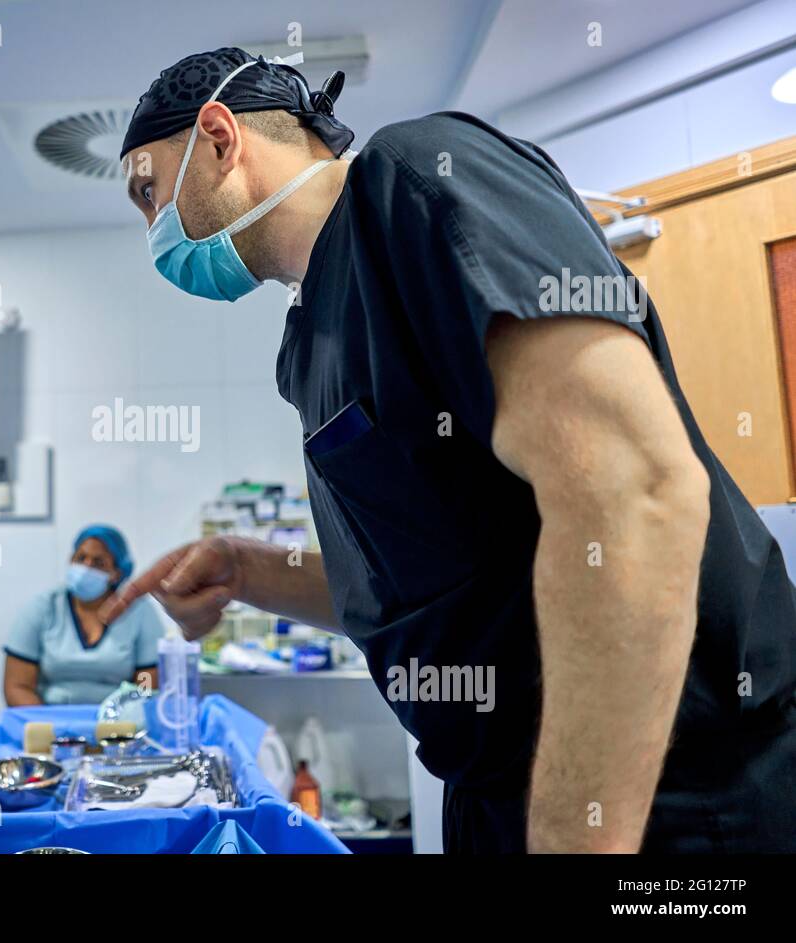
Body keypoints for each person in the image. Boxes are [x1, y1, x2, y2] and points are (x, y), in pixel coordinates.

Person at [106, 47, 796, 852]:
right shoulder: (309, 342)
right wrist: (246, 569)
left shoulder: (419, 178)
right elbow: (426, 589)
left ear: (219, 137)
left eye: (148, 190)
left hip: (674, 797)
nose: (152, 228)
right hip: (501, 797)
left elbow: (632, 492)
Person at [3, 524, 165, 706]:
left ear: (116, 573)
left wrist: (128, 719)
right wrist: (46, 728)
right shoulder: (43, 608)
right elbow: (17, 686)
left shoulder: (138, 613)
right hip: (48, 721)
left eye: (98, 563)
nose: (86, 568)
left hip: (117, 724)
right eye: (80, 559)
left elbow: (147, 684)